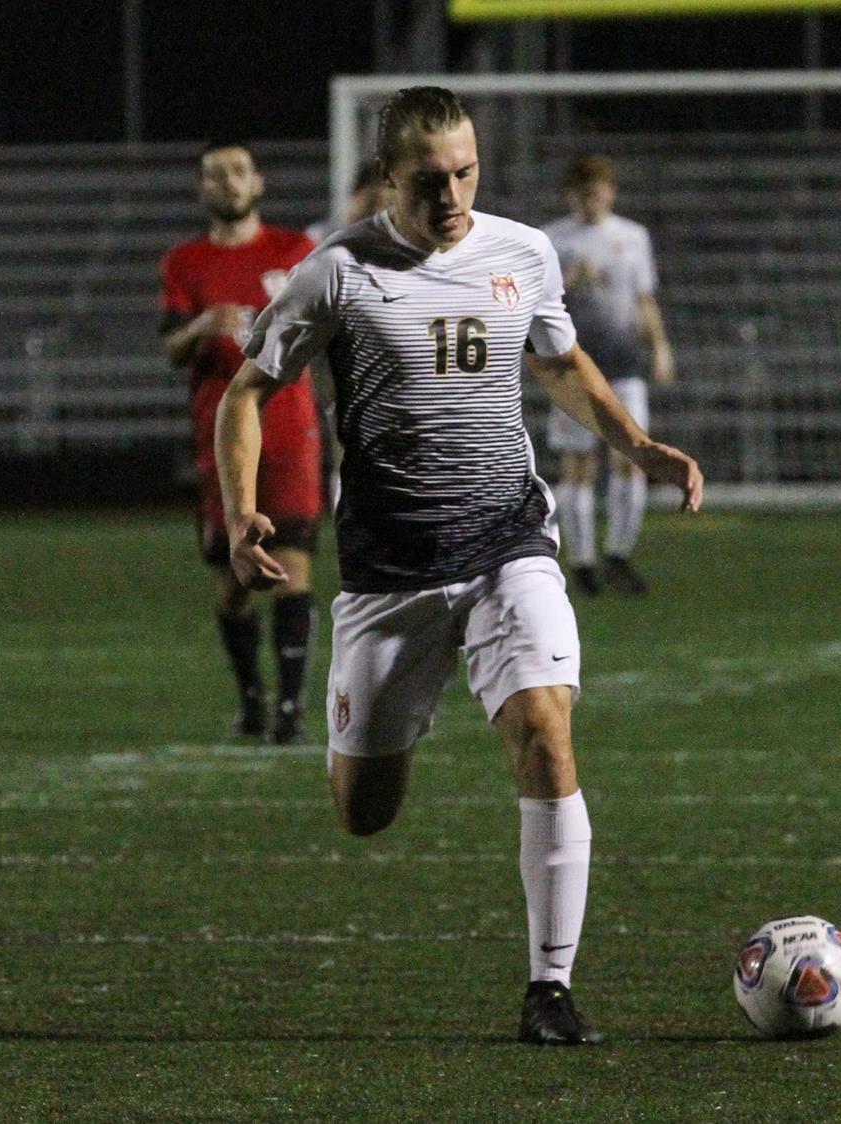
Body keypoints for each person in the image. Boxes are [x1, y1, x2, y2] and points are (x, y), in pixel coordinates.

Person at [215, 86, 702, 1046]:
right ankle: (404, 702)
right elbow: (246, 392)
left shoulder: (522, 251)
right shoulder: (336, 273)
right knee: (364, 812)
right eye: (430, 180)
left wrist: (639, 446)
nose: (452, 196)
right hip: (389, 571)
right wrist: (241, 517)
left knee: (549, 737)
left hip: (506, 544)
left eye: (466, 172)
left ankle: (549, 990)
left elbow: (558, 364)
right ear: (389, 179)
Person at [161, 140, 324, 745]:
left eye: (236, 172)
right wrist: (202, 326)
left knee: (294, 568)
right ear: (202, 190)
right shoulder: (184, 262)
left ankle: (288, 712)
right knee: (234, 584)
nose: (226, 183)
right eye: (213, 175)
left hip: (290, 431)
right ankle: (251, 700)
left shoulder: (296, 252)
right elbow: (171, 351)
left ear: (258, 182)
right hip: (220, 439)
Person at [541, 154, 674, 596]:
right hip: (572, 365)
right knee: (579, 466)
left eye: (598, 192)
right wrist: (571, 279)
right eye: (583, 194)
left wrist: (660, 347)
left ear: (610, 192)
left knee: (633, 457)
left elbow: (643, 297)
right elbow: (536, 304)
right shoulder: (551, 239)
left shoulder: (632, 237)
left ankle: (618, 555)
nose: (591, 201)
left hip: (623, 363)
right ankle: (581, 564)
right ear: (570, 196)